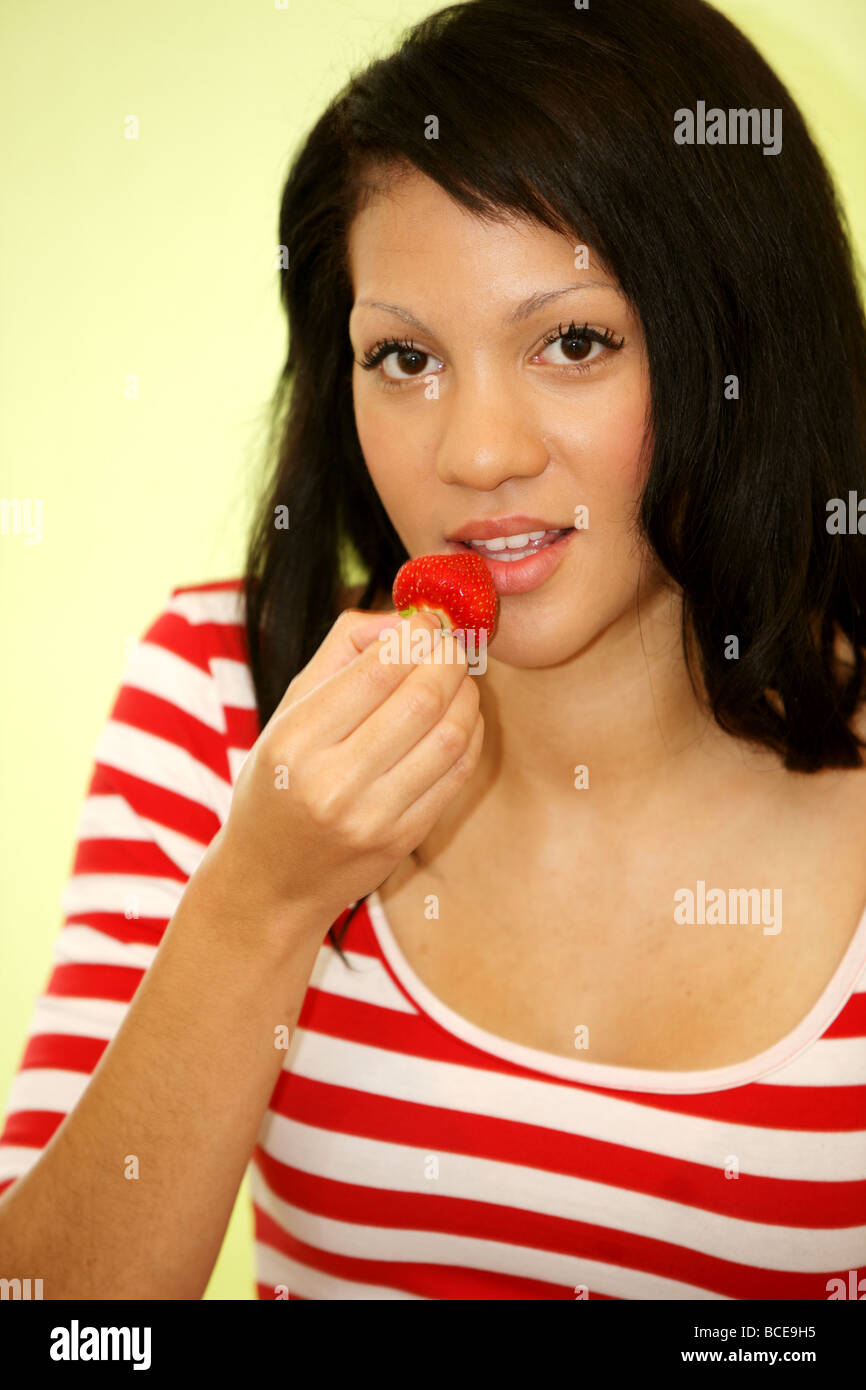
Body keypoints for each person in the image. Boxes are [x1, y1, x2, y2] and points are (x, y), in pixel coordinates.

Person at [1, 0, 865, 1300]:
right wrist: (262, 899)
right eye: (402, 356)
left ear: (735, 337)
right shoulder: (225, 690)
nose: (472, 453)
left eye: (572, 341)